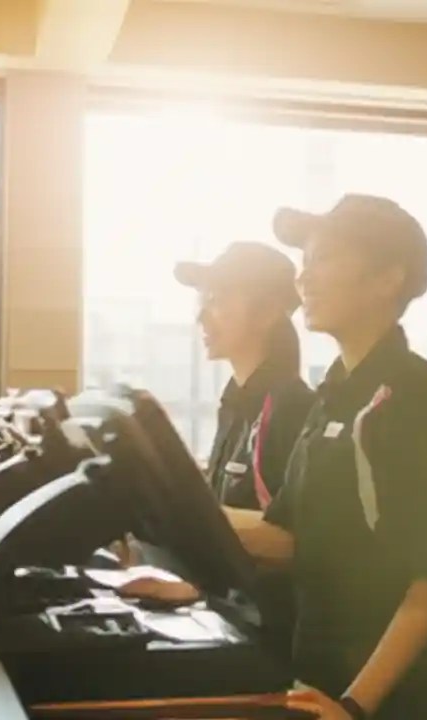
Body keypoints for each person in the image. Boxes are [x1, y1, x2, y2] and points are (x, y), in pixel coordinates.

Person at [225, 195, 427, 720]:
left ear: (387, 279)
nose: (304, 278)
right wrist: (167, 517)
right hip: (319, 684)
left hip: (385, 700)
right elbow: (288, 535)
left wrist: (356, 704)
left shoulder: (412, 393)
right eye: (304, 261)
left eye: (324, 258)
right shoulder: (333, 394)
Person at [170, 241, 316, 656]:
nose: (202, 315)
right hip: (221, 619)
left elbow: (294, 541)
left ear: (269, 313)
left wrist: (176, 510)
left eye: (216, 301)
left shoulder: (292, 407)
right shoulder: (234, 405)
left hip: (268, 639)